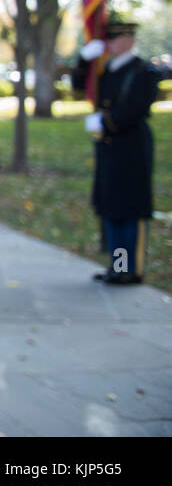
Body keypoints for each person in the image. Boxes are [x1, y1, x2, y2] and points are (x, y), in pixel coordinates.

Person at [84, 17, 159, 285]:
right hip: (108, 146)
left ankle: (131, 268)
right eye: (108, 39)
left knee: (131, 208)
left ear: (130, 40)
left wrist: (106, 122)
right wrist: (85, 60)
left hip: (132, 146)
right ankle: (117, 266)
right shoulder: (107, 70)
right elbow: (82, 86)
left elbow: (136, 109)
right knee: (112, 206)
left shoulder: (144, 71)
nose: (110, 44)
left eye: (115, 39)